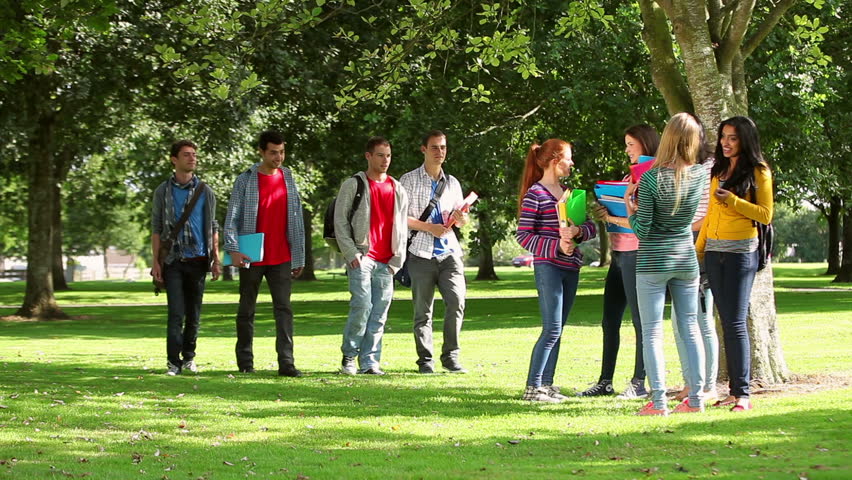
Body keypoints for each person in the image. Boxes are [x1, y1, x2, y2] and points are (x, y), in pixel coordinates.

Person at [625, 113, 708, 415]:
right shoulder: (699, 175)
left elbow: (643, 229)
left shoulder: (650, 178)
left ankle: (658, 401)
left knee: (651, 332)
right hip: (685, 258)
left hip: (653, 262)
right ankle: (696, 399)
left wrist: (628, 206)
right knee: (690, 328)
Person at [696, 116, 773, 412]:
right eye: (723, 137)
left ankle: (742, 395)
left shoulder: (759, 171)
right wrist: (698, 250)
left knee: (736, 322)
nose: (726, 143)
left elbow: (765, 215)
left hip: (742, 254)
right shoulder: (717, 170)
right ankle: (731, 392)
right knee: (724, 320)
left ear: (745, 141)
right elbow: (711, 216)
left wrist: (734, 201)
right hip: (714, 252)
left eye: (733, 138)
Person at [516, 139, 597, 403]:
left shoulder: (570, 194)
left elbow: (591, 228)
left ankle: (547, 386)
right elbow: (524, 235)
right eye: (569, 158)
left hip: (570, 267)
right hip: (548, 266)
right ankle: (532, 388)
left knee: (558, 329)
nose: (572, 163)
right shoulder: (535, 195)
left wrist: (577, 232)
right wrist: (556, 246)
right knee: (551, 329)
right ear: (555, 160)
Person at [581, 125, 659, 399]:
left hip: (638, 254)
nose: (627, 150)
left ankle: (639, 382)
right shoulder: (630, 176)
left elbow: (645, 222)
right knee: (609, 319)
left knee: (641, 321)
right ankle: (605, 381)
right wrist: (606, 211)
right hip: (619, 254)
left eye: (631, 144)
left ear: (645, 145)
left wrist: (613, 218)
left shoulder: (651, 177)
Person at [224, 130, 306, 377]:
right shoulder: (246, 179)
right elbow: (232, 218)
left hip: (282, 256)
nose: (278, 157)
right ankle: (246, 362)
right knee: (246, 309)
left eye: (282, 152)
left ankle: (287, 363)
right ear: (261, 151)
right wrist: (233, 249)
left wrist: (299, 256)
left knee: (284, 310)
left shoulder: (289, 178)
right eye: (273, 152)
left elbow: (297, 219)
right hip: (251, 256)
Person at [334, 136, 409, 375]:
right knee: (362, 307)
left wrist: (397, 261)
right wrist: (351, 253)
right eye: (380, 155)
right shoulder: (354, 184)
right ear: (368, 156)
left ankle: (370, 362)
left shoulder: (397, 188)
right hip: (362, 257)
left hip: (387, 262)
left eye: (388, 155)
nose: (385, 160)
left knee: (379, 314)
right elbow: (340, 221)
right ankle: (349, 356)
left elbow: (402, 226)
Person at [399, 130, 470, 374]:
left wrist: (460, 219)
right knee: (422, 311)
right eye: (435, 147)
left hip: (449, 252)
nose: (440, 152)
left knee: (457, 302)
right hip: (420, 253)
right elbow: (400, 217)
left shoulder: (452, 182)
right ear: (423, 149)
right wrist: (428, 227)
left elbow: (461, 221)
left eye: (443, 147)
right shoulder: (408, 180)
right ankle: (425, 360)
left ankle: (451, 357)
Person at [151, 140, 221, 376]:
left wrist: (216, 258)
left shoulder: (205, 191)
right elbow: (156, 228)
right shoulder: (162, 191)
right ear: (174, 159)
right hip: (173, 261)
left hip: (199, 260)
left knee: (194, 314)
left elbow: (213, 226)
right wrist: (155, 262)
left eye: (194, 155)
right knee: (176, 313)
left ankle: (189, 357)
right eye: (186, 155)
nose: (192, 159)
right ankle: (173, 362)